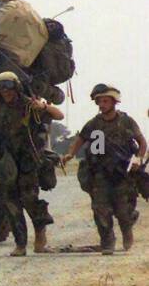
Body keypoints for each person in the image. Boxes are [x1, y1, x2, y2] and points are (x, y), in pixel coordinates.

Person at [60, 85, 146, 254]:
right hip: (100, 173)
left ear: (114, 102)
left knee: (123, 210)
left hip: (122, 174)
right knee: (100, 209)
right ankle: (107, 242)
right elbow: (81, 139)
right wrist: (70, 154)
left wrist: (138, 158)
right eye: (100, 101)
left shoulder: (126, 121)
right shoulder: (94, 123)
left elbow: (142, 142)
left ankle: (127, 231)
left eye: (106, 101)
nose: (102, 104)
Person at [0, 72, 62, 256]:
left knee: (30, 199)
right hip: (5, 161)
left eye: (9, 87)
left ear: (16, 87)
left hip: (28, 159)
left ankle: (40, 237)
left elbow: (58, 114)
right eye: (2, 87)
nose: (6, 91)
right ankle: (20, 244)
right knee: (10, 202)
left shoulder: (29, 104)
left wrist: (43, 105)